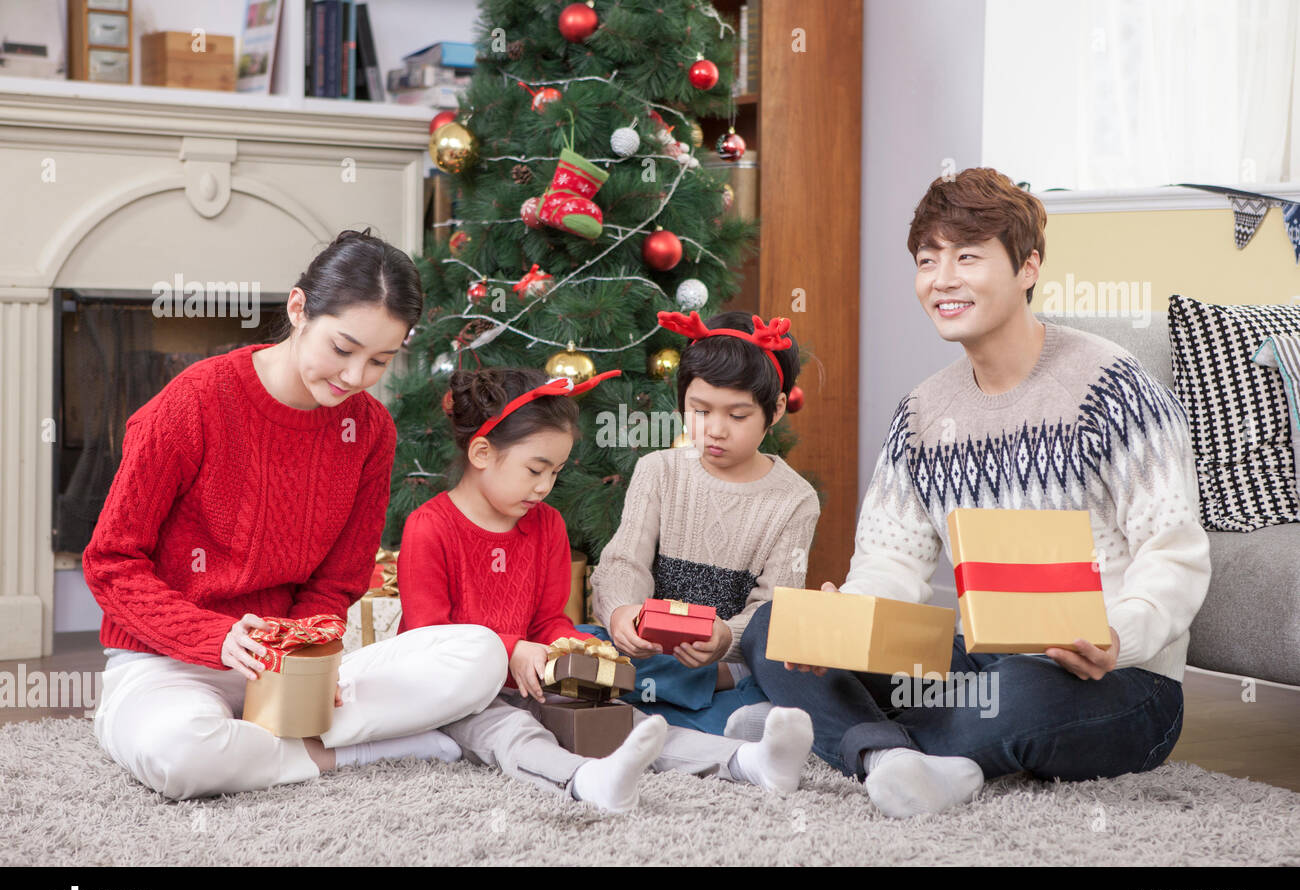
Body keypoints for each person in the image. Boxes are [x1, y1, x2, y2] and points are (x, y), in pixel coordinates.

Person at [740, 167, 1212, 818]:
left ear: (1027, 268)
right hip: (976, 665)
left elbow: (1176, 554)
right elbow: (890, 568)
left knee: (1019, 695)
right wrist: (841, 629)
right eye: (928, 259)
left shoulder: (1113, 388)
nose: (943, 279)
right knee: (776, 629)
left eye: (967, 256)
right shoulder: (922, 414)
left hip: (1115, 677)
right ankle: (890, 759)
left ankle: (841, 736)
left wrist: (1117, 633)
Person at [85, 229, 505, 801]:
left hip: (289, 667)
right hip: (168, 663)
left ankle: (270, 745)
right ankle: (350, 750)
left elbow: (335, 583)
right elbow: (111, 561)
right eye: (342, 349)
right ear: (299, 308)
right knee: (180, 754)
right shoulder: (195, 403)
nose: (355, 377)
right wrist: (217, 637)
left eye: (380, 360)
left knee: (479, 655)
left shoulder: (370, 433)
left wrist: (309, 657)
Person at [399, 366, 815, 813]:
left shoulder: (547, 525)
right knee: (511, 732)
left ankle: (746, 761)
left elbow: (547, 621)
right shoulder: (430, 529)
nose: (544, 487)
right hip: (457, 693)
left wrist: (578, 652)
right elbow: (428, 637)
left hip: (533, 676)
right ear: (482, 452)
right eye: (535, 470)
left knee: (622, 718)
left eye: (555, 473)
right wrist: (509, 650)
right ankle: (585, 781)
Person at [588, 310, 820, 738]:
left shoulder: (795, 500)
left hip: (725, 664)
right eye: (700, 410)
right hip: (648, 652)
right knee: (582, 646)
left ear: (776, 410)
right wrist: (622, 612)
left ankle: (659, 712)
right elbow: (624, 563)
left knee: (782, 677)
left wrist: (723, 639)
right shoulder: (658, 470)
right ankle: (681, 710)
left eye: (737, 416)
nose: (715, 430)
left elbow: (774, 611)